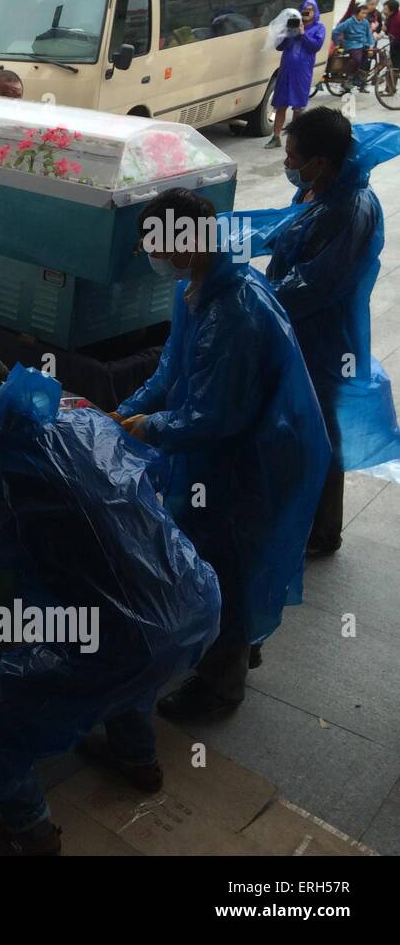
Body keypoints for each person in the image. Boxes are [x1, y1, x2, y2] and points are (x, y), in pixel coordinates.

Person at [0, 358, 221, 856]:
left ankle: (29, 834)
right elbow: (148, 477)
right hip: (196, 599)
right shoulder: (84, 420)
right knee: (130, 638)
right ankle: (136, 757)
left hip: (134, 639)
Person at [113, 188, 329, 718]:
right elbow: (172, 370)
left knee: (226, 563)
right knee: (225, 556)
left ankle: (218, 688)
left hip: (254, 456)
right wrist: (124, 411)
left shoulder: (234, 310)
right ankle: (237, 647)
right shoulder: (200, 287)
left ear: (184, 246)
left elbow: (216, 417)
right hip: (230, 447)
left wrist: (147, 427)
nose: (153, 258)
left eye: (155, 246)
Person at [250, 110, 400, 556]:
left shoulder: (350, 209)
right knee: (297, 418)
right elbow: (284, 234)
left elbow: (317, 284)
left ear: (321, 160)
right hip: (298, 323)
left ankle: (322, 532)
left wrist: (259, 301)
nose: (287, 163)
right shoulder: (314, 189)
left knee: (321, 425)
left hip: (327, 334)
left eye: (294, 155)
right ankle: (292, 515)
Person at [267, 0, 326, 149]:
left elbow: (315, 46)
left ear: (315, 12)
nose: (307, 13)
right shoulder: (291, 25)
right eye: (304, 10)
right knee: (280, 104)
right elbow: (280, 47)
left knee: (298, 108)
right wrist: (283, 33)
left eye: (310, 10)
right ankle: (276, 136)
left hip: (302, 73)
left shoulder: (319, 28)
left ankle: (294, 139)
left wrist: (302, 33)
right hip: (286, 70)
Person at [333, 0, 376, 91]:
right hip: (351, 45)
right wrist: (337, 44)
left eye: (366, 13)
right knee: (357, 58)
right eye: (363, 13)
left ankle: (361, 78)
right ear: (357, 13)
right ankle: (350, 78)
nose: (364, 15)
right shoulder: (349, 22)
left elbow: (369, 35)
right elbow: (335, 32)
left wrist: (371, 47)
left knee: (371, 56)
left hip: (363, 44)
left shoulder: (365, 22)